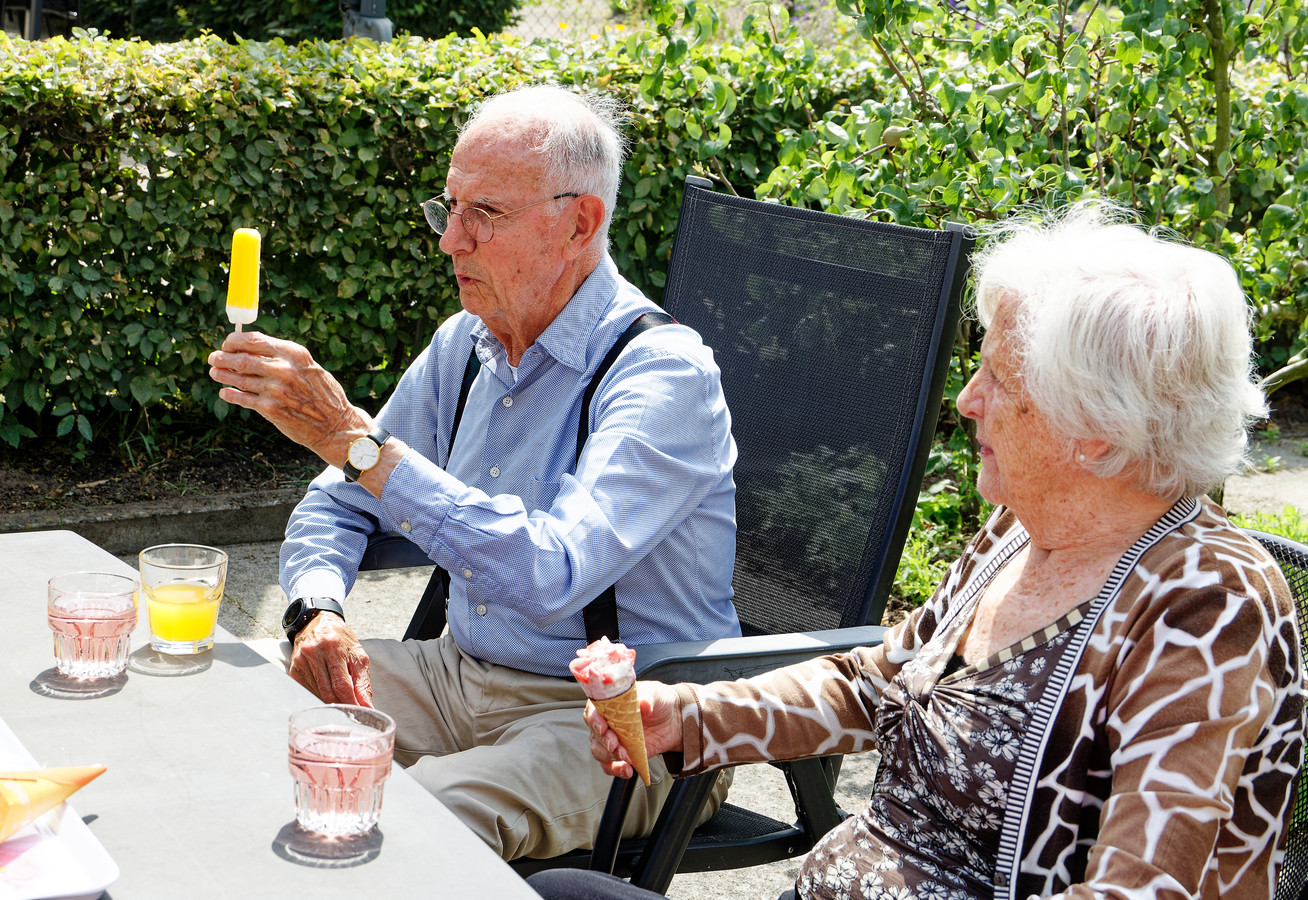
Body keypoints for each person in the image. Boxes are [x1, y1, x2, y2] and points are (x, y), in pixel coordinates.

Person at [528, 202, 1306, 900]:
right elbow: (880, 684)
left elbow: (1139, 892)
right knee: (562, 893)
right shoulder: (1026, 530)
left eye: (1000, 378)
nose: (968, 399)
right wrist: (689, 715)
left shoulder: (1208, 606)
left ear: (1095, 428)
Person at [206, 83, 739, 860]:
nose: (452, 240)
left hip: (624, 719)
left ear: (579, 224)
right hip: (458, 677)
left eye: (484, 215)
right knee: (230, 707)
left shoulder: (662, 377)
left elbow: (555, 572)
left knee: (407, 820)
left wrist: (358, 443)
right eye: (448, 208)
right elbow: (341, 500)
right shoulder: (467, 345)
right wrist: (314, 610)